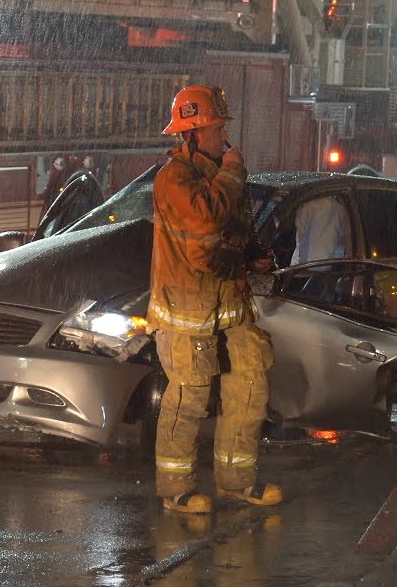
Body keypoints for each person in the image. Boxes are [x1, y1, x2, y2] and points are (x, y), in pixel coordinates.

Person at [149, 84, 281, 514]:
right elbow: (206, 223)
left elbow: (232, 230)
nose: (224, 136)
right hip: (186, 311)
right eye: (215, 128)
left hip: (228, 304)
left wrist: (253, 254)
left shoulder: (220, 175)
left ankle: (236, 480)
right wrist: (232, 174)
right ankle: (175, 490)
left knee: (250, 379)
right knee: (189, 395)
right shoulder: (175, 180)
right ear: (192, 135)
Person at [290, 196, 349, 265]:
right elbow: (343, 237)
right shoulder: (339, 209)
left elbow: (300, 232)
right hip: (326, 265)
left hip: (302, 265)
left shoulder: (308, 205)